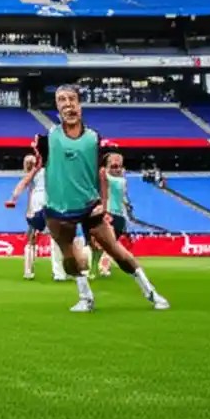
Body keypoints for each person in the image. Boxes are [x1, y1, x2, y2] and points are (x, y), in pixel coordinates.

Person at [33, 85, 169, 312]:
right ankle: (85, 297)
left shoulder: (94, 139)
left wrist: (102, 204)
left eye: (72, 99)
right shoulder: (47, 140)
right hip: (57, 209)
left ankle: (151, 291)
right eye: (62, 100)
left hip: (89, 206)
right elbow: (38, 168)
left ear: (80, 105)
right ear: (57, 106)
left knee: (116, 250)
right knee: (69, 258)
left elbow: (101, 174)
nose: (67, 104)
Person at [6, 154, 57, 281]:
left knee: (33, 237)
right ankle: (58, 271)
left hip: (41, 204)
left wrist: (13, 198)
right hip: (47, 204)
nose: (27, 165)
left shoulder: (36, 173)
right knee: (55, 237)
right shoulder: (45, 172)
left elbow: (22, 186)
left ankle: (29, 271)